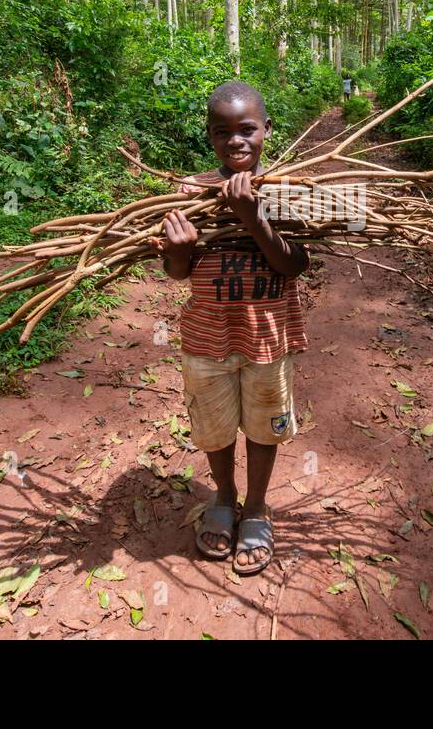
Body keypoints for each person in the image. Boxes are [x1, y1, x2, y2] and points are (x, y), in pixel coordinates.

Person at [158, 80, 310, 575]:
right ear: (209, 136)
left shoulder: (292, 190)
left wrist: (253, 216)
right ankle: (223, 497)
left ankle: (258, 507)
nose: (236, 141)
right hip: (207, 336)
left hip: (268, 336)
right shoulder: (190, 192)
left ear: (266, 129)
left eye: (247, 129)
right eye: (222, 132)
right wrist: (178, 251)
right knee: (214, 426)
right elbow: (177, 273)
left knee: (266, 426)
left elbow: (292, 266)